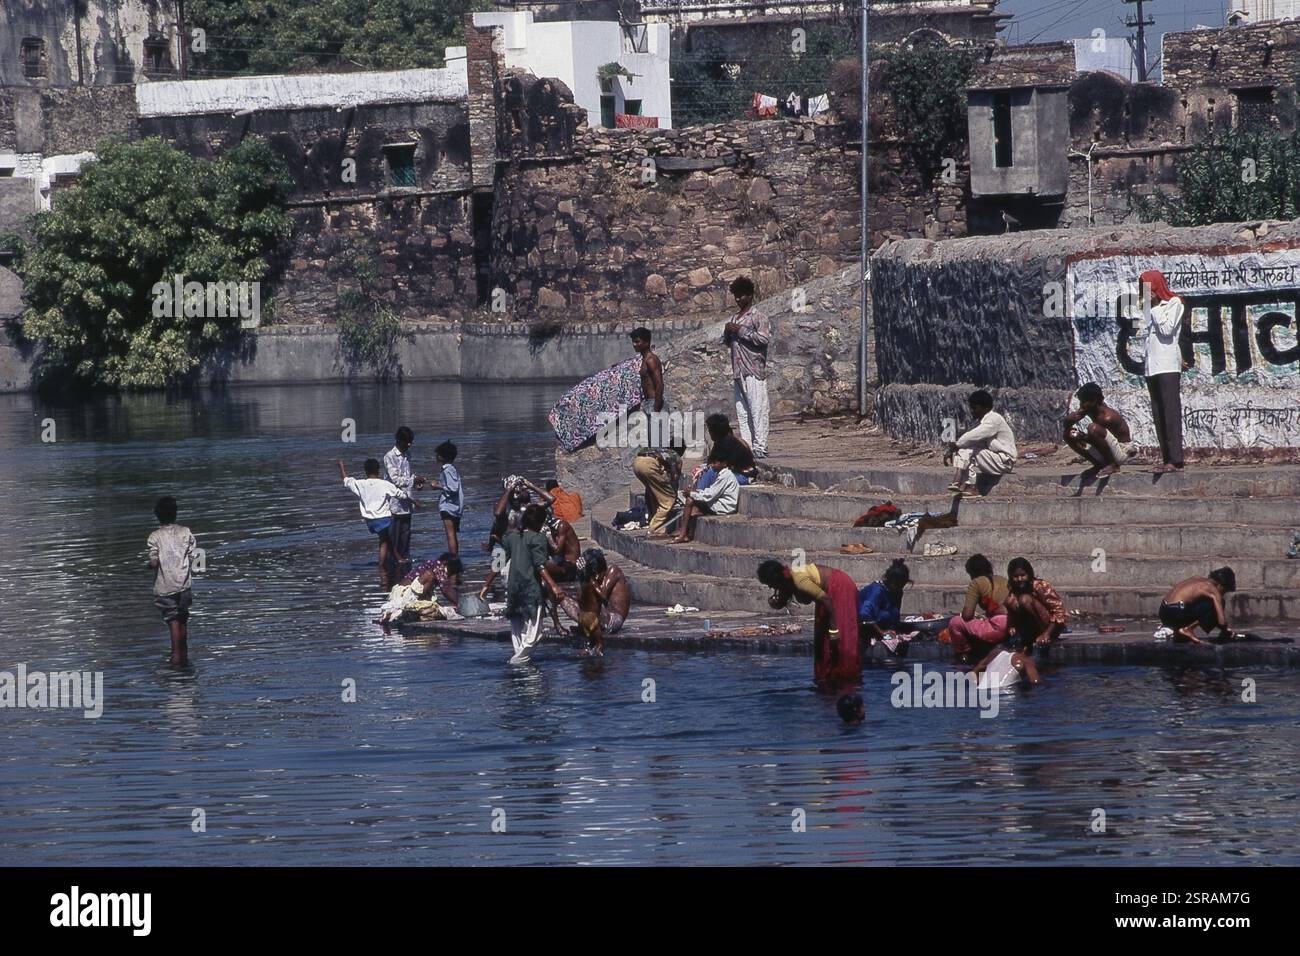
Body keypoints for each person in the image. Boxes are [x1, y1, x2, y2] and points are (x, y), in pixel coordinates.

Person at [758, 559, 861, 686]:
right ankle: (827, 678)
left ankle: (846, 679)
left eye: (770, 584)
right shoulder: (788, 580)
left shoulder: (799, 580)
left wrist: (834, 629)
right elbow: (797, 599)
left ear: (777, 579)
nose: (770, 587)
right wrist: (776, 603)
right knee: (822, 640)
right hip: (826, 597)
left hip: (839, 587)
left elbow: (827, 600)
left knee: (840, 638)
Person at [1138, 269, 1188, 474]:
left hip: (1167, 365)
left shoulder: (1174, 303)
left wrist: (1156, 306)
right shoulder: (1147, 307)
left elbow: (1167, 331)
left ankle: (1176, 459)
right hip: (1153, 365)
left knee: (1170, 411)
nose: (1145, 292)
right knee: (1158, 414)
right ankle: (1166, 457)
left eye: (1148, 287)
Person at [547, 548, 631, 656]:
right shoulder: (593, 579)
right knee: (563, 597)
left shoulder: (613, 571)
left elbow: (602, 595)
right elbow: (584, 598)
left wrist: (588, 577)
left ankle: (594, 638)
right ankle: (565, 626)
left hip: (613, 620)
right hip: (597, 615)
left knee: (589, 609)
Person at [723, 276, 771, 458]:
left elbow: (763, 339)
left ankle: (761, 445)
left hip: (753, 370)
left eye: (741, 295)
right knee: (742, 411)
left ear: (749, 295)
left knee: (758, 408)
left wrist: (740, 330)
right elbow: (728, 343)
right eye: (735, 295)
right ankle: (747, 446)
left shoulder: (758, 317)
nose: (737, 299)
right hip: (738, 370)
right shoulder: (735, 318)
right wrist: (728, 331)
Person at [339, 458, 404, 588]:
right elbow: (400, 495)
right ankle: (382, 572)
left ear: (365, 471)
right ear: (378, 470)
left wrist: (341, 466)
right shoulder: (384, 484)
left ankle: (398, 559)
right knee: (384, 542)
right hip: (384, 519)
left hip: (370, 521)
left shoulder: (360, 484)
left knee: (386, 539)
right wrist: (413, 500)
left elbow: (345, 480)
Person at [503, 504, 556, 663]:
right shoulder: (537, 538)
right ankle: (518, 660)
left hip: (513, 589)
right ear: (539, 522)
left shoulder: (510, 537)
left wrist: (487, 583)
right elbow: (540, 565)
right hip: (530, 589)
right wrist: (553, 585)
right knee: (535, 632)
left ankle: (519, 659)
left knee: (517, 630)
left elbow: (497, 560)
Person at [148, 496, 196, 666]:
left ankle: (176, 661)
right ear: (176, 514)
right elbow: (196, 559)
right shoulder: (186, 532)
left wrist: (149, 564)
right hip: (184, 585)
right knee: (182, 620)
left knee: (172, 621)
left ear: (157, 516)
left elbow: (154, 562)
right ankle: (184, 657)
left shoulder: (155, 536)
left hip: (165, 587)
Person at [946, 390, 1017, 497]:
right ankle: (960, 479)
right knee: (965, 447)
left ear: (986, 408)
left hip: (1004, 461)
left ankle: (970, 486)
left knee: (969, 448)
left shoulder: (994, 419)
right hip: (993, 458)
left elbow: (974, 435)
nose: (972, 411)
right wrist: (957, 446)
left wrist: (955, 446)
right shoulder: (981, 421)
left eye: (975, 408)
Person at [943, 553, 1010, 664]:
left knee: (955, 622)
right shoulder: (1003, 579)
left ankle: (964, 655)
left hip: (998, 628)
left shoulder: (976, 583)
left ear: (971, 572)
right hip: (1011, 624)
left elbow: (967, 615)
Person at [1063, 382, 1137, 477]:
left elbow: (1096, 438)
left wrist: (1082, 437)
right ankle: (1098, 465)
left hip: (1120, 452)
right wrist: (1070, 422)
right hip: (1106, 449)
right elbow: (1068, 423)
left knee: (1093, 428)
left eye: (1084, 401)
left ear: (1093, 400)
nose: (1081, 405)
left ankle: (1113, 465)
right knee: (1067, 434)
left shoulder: (1107, 417)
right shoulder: (1092, 408)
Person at [670, 451, 740, 544]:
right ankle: (685, 531)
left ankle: (683, 533)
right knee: (693, 505)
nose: (712, 465)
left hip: (724, 507)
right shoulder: (722, 474)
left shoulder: (725, 476)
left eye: (715, 463)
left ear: (724, 463)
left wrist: (692, 494)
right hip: (719, 503)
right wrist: (695, 492)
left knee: (690, 500)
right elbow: (711, 491)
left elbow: (710, 496)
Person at [1158, 567, 1236, 644]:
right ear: (1220, 585)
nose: (1222, 594)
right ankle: (1188, 629)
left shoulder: (1196, 578)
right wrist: (1225, 632)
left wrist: (1222, 627)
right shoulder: (1213, 590)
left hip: (1164, 612)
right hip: (1176, 613)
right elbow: (1221, 621)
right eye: (1224, 591)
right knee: (1220, 602)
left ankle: (1180, 631)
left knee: (1199, 602)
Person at [1003, 557, 1067, 649]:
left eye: (1023, 575)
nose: (1020, 579)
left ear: (1029, 574)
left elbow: (1059, 612)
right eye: (1016, 576)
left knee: (1024, 599)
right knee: (1010, 601)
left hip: (1049, 627)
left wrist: (1047, 634)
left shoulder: (1039, 586)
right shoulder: (1014, 589)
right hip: (1031, 627)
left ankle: (1042, 633)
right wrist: (1012, 626)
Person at [382, 426, 419, 579]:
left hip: (407, 500)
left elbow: (408, 475)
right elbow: (395, 479)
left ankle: (405, 565)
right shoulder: (389, 457)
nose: (409, 445)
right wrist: (413, 480)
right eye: (407, 442)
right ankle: (392, 568)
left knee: (406, 535)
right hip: (394, 503)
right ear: (399, 440)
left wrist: (415, 483)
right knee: (394, 536)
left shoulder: (407, 454)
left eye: (410, 442)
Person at [421, 441, 463, 557]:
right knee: (453, 534)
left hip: (448, 506)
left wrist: (437, 486)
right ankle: (455, 556)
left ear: (442, 456)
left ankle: (453, 558)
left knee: (450, 535)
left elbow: (453, 488)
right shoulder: (451, 469)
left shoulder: (447, 470)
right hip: (454, 506)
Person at [633, 443, 683, 536]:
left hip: (637, 462)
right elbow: (675, 477)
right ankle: (654, 529)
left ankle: (657, 526)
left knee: (652, 492)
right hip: (649, 464)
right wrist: (673, 491)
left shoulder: (662, 451)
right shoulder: (675, 455)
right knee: (669, 499)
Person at [697, 413, 758, 488]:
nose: (709, 433)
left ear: (715, 431)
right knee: (702, 470)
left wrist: (713, 466)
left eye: (710, 430)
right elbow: (712, 460)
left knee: (711, 473)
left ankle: (697, 495)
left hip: (743, 476)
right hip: (733, 474)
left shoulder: (729, 443)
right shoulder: (719, 441)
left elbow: (724, 465)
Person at [857, 558, 910, 642]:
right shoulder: (877, 591)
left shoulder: (898, 592)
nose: (900, 588)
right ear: (891, 581)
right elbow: (864, 614)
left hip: (886, 631)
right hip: (866, 631)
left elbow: (895, 617)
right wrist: (882, 632)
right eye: (898, 585)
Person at [971, 643, 1042, 690]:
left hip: (980, 690)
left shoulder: (994, 653)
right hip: (1002, 698)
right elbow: (1036, 682)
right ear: (1024, 650)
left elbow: (971, 675)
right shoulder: (1024, 659)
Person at [631, 327, 665, 414]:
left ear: (646, 343)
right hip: (649, 403)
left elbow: (659, 385)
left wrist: (656, 410)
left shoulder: (651, 360)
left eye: (637, 342)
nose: (634, 344)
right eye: (633, 342)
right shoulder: (644, 359)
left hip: (654, 403)